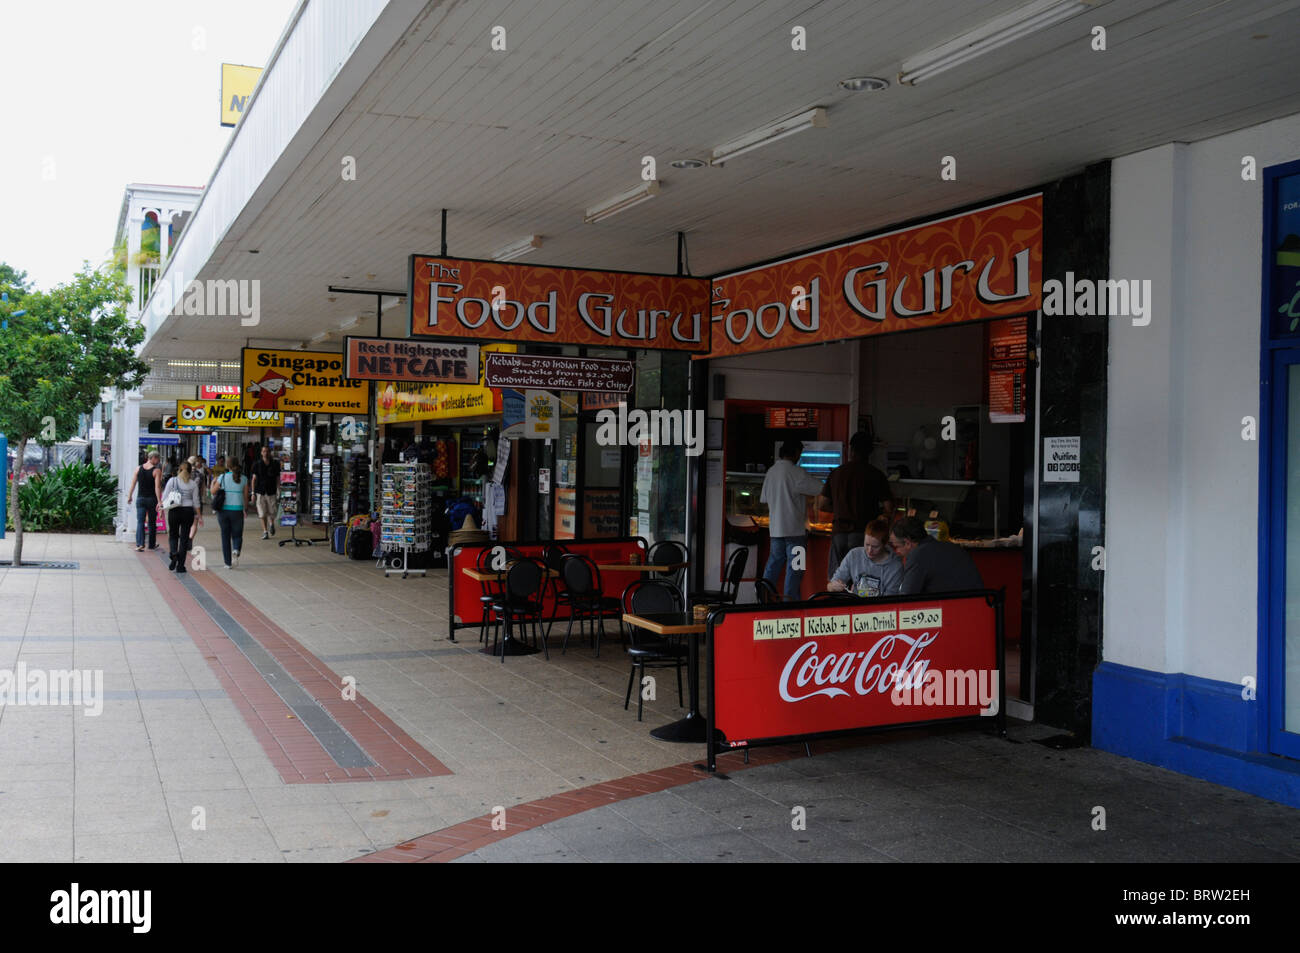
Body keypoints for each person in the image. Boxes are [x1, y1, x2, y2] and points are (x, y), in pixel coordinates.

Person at [820, 431, 894, 578]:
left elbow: (822, 505)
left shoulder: (836, 473)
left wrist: (841, 509)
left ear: (851, 449)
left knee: (838, 580)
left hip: (839, 533)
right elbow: (889, 508)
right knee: (861, 580)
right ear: (870, 452)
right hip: (863, 535)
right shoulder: (876, 474)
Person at [760, 439, 825, 601]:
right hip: (796, 532)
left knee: (773, 565)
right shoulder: (797, 473)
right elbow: (822, 488)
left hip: (775, 530)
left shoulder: (771, 472)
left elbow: (764, 499)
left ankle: (763, 598)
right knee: (796, 569)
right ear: (796, 453)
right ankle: (790, 603)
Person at [889, 515, 983, 595]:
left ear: (907, 543)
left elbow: (905, 597)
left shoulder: (917, 556)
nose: (896, 551)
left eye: (896, 546)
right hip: (978, 602)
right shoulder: (953, 547)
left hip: (954, 607)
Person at [827, 517, 903, 596]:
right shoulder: (854, 555)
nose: (869, 550)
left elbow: (890, 599)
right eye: (867, 544)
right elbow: (830, 586)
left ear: (884, 544)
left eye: (875, 547)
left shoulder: (895, 566)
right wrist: (833, 586)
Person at [161, 460, 202, 572]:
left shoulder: (172, 481)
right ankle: (180, 566)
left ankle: (174, 553)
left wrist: (160, 509)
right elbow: (196, 502)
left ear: (179, 470)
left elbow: (164, 496)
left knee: (173, 535)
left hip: (174, 510)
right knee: (184, 539)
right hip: (188, 512)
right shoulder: (193, 484)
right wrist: (199, 516)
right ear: (190, 472)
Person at [212, 456, 251, 569]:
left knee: (225, 536)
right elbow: (246, 497)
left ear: (227, 465)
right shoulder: (244, 479)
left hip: (223, 511)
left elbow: (213, 491)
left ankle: (227, 563)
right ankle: (236, 549)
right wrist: (245, 509)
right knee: (237, 534)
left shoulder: (222, 477)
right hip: (237, 511)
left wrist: (213, 482)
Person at [126, 451, 164, 551]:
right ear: (153, 458)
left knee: (140, 521)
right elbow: (157, 487)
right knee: (152, 522)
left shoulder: (138, 468)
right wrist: (159, 501)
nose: (158, 461)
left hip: (141, 499)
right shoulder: (157, 471)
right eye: (158, 459)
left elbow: (133, 483)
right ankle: (151, 544)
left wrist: (130, 496)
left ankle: (140, 544)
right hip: (152, 500)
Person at [251, 444, 282, 539]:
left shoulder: (275, 464)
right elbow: (253, 479)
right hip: (260, 492)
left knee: (272, 511)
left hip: (271, 491)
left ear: (270, 452)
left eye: (267, 451)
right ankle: (265, 531)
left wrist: (279, 489)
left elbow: (277, 478)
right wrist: (253, 493)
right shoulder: (257, 464)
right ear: (261, 453)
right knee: (262, 513)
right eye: (264, 451)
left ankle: (271, 524)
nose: (266, 453)